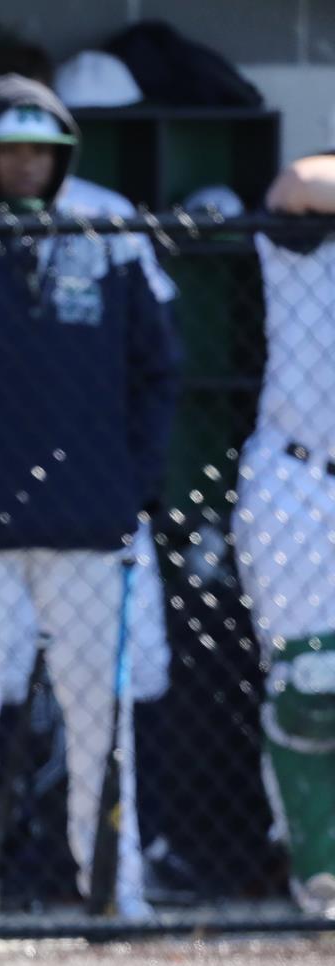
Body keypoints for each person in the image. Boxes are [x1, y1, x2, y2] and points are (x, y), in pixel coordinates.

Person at [0, 77, 181, 925]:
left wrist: (133, 483)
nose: (28, 165)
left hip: (90, 523)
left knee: (101, 711)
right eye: (11, 149)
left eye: (44, 150)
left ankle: (111, 888)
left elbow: (159, 370)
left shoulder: (109, 232)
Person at [235, 149, 335, 917]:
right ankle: (319, 871)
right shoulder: (311, 208)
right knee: (310, 683)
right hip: (301, 477)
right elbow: (296, 185)